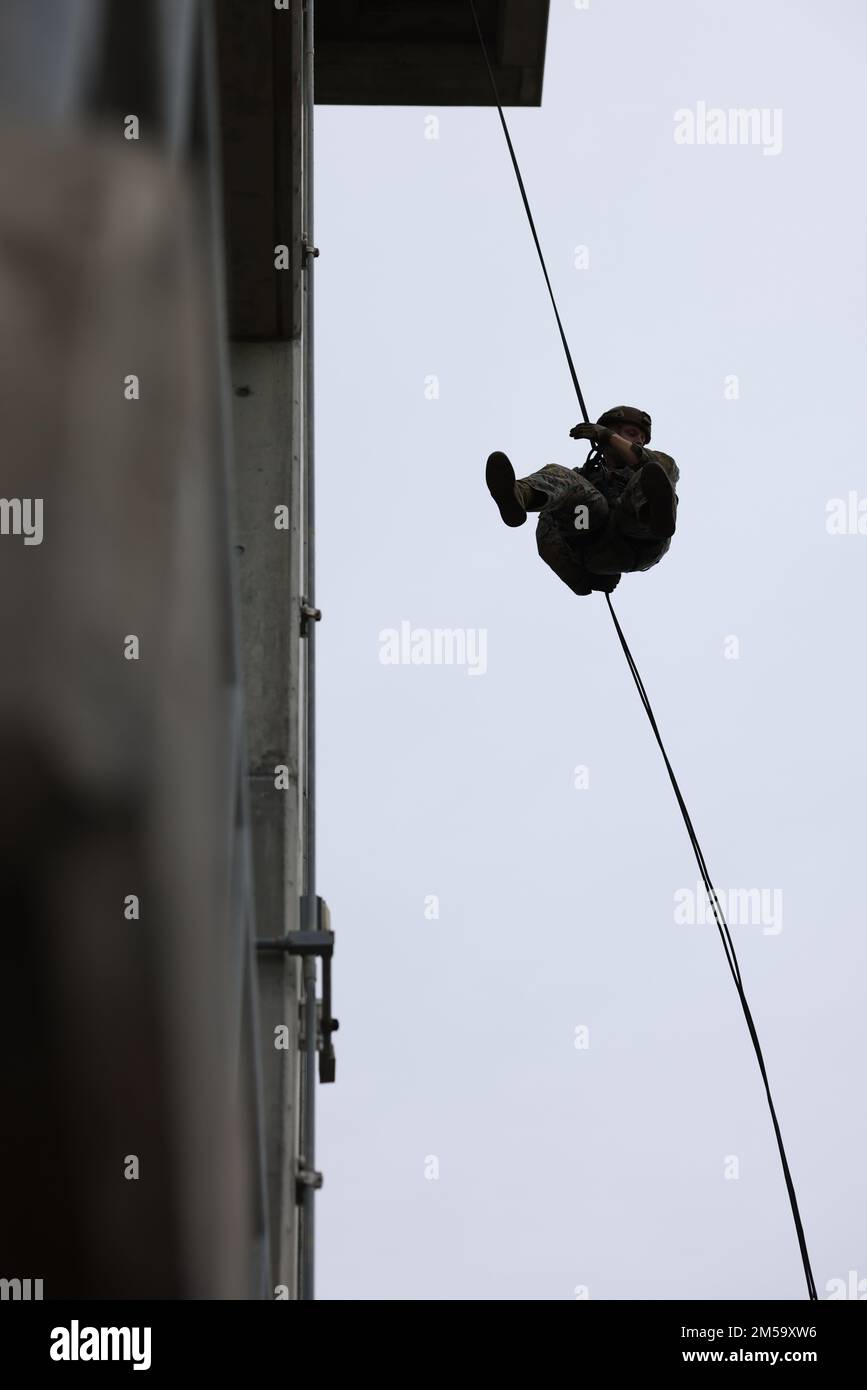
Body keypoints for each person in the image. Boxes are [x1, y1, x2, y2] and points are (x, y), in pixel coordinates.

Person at [485, 406, 679, 595]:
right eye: (631, 433)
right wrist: (577, 578)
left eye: (642, 440)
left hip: (639, 537)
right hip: (590, 536)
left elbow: (652, 464)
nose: (638, 442)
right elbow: (547, 531)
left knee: (649, 475)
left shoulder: (659, 464)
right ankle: (520, 495)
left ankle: (652, 516)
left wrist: (607, 436)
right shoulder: (584, 478)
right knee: (568, 483)